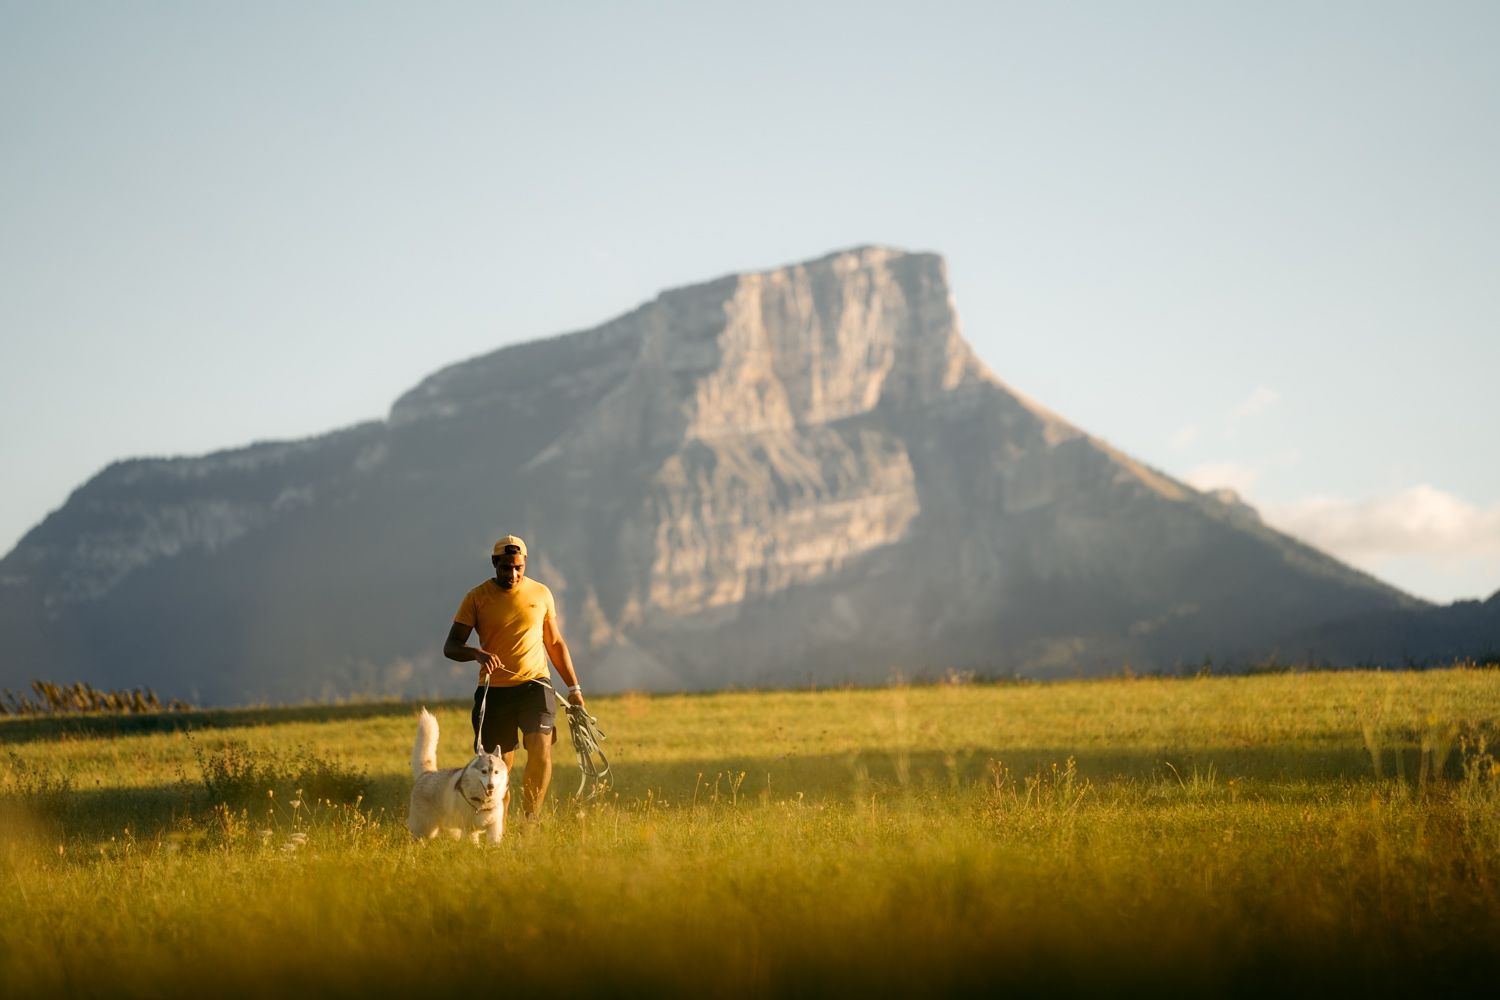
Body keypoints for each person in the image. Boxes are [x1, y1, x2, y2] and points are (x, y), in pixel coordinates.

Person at [443, 534, 585, 823]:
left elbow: (555, 643)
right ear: (495, 563)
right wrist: (477, 654)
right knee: (500, 766)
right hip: (494, 691)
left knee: (541, 747)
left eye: (518, 567)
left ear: (525, 564)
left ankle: (529, 820)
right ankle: (500, 826)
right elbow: (451, 646)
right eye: (506, 567)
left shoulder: (541, 593)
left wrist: (574, 687)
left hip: (535, 684)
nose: (513, 573)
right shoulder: (476, 598)